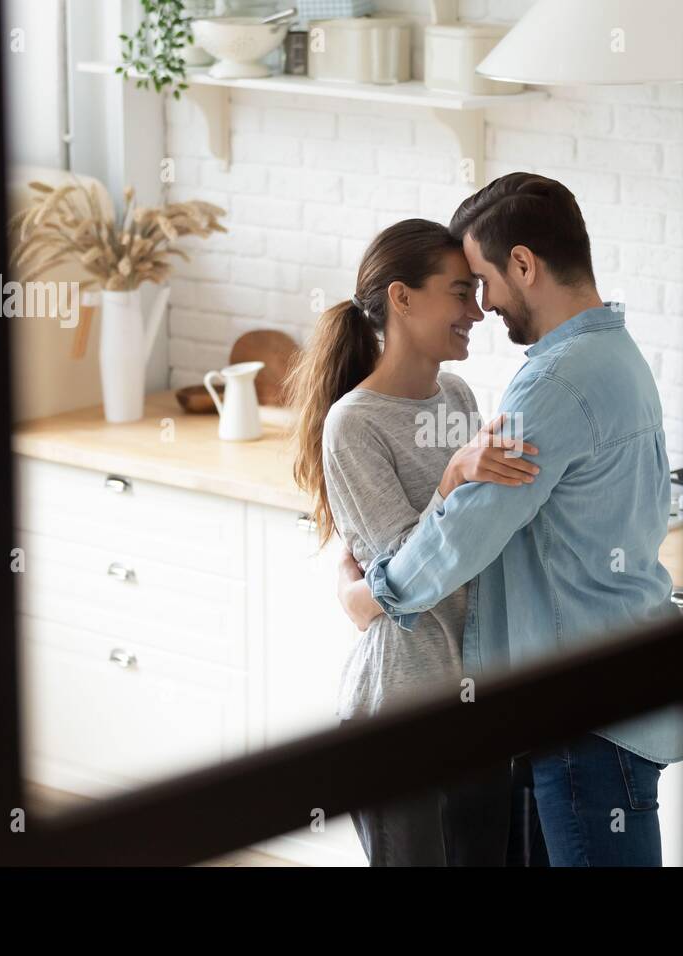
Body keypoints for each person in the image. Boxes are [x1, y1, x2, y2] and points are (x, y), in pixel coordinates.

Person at [337, 173, 683, 867]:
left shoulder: (556, 380)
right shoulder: (615, 355)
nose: (483, 305)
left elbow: (465, 533)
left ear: (523, 265)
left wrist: (371, 595)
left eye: (483, 282)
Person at [285, 218, 540, 866]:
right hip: (400, 715)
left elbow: (483, 537)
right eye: (459, 292)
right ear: (402, 298)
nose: (476, 312)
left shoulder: (455, 395)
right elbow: (405, 569)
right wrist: (454, 475)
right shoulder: (354, 424)